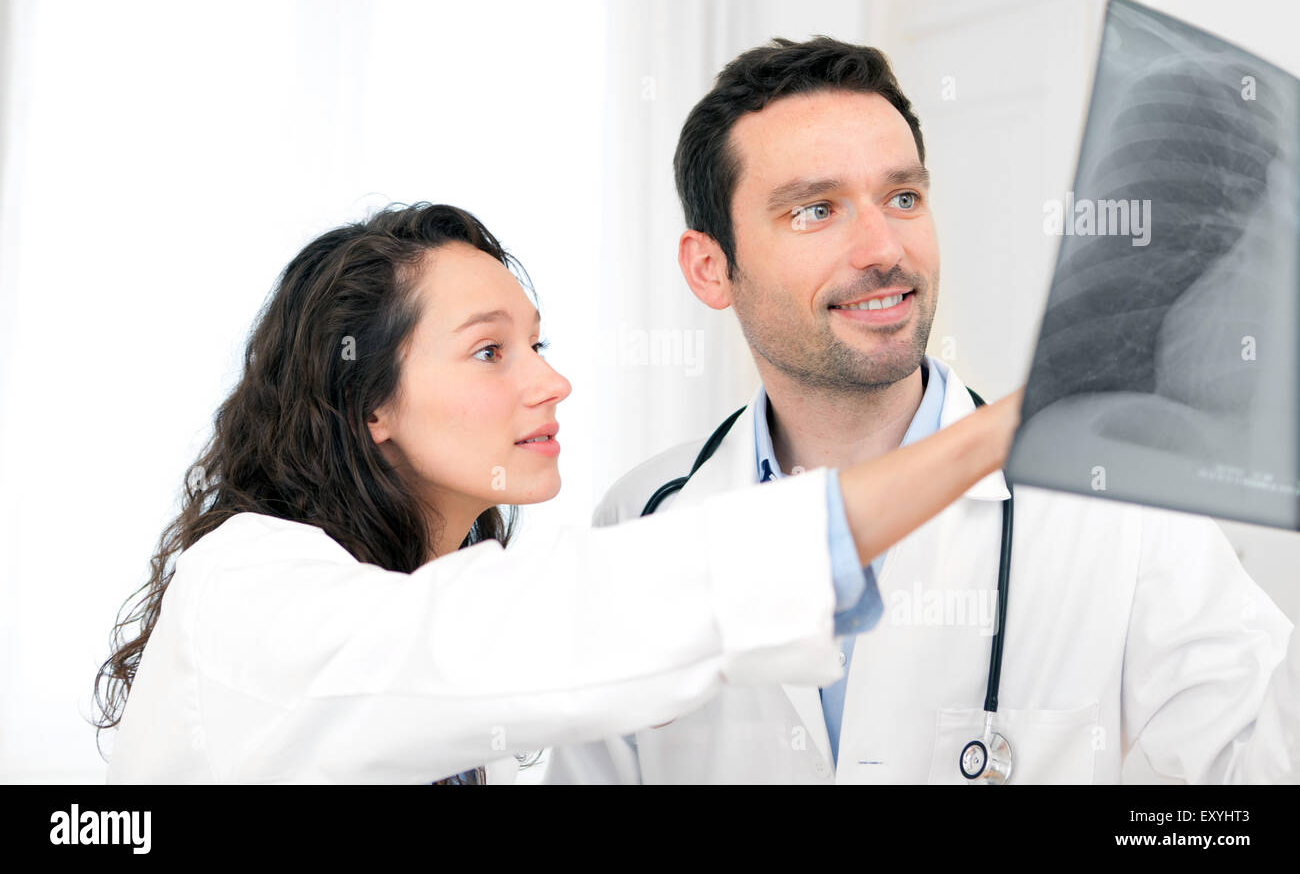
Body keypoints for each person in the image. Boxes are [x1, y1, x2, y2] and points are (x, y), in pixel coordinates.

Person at [544, 37, 1300, 784]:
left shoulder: (1120, 508)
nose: (883, 248)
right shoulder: (645, 519)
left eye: (902, 198)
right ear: (711, 269)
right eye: (815, 210)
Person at [94, 202, 1021, 784]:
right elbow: (541, 626)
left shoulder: (428, 593)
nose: (549, 383)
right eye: (491, 351)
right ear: (369, 400)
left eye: (538, 344)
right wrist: (995, 434)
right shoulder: (247, 590)